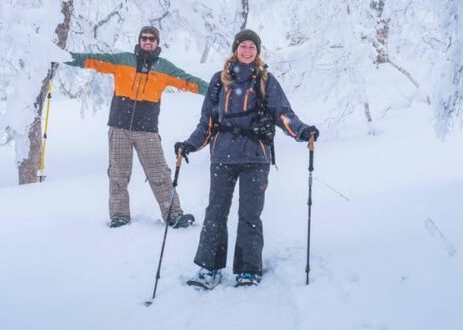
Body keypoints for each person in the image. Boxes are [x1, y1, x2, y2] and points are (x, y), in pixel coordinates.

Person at [175, 29, 319, 288]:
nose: (247, 51)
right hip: (223, 156)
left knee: (250, 214)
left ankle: (248, 270)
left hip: (256, 156)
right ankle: (209, 269)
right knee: (215, 213)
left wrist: (301, 131)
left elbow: (283, 114)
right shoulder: (219, 81)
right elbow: (207, 122)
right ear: (235, 49)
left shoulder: (265, 80)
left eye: (252, 46)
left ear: (258, 51)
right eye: (243, 46)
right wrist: (189, 145)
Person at [67, 26, 209, 228]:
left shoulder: (164, 67)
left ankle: (174, 214)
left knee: (159, 173)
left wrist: (216, 90)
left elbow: (188, 82)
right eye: (144, 38)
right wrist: (66, 57)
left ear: (157, 42)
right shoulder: (123, 61)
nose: (148, 41)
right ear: (139, 40)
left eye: (152, 39)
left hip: (147, 131)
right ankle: (119, 216)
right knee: (118, 174)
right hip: (119, 128)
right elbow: (92, 60)